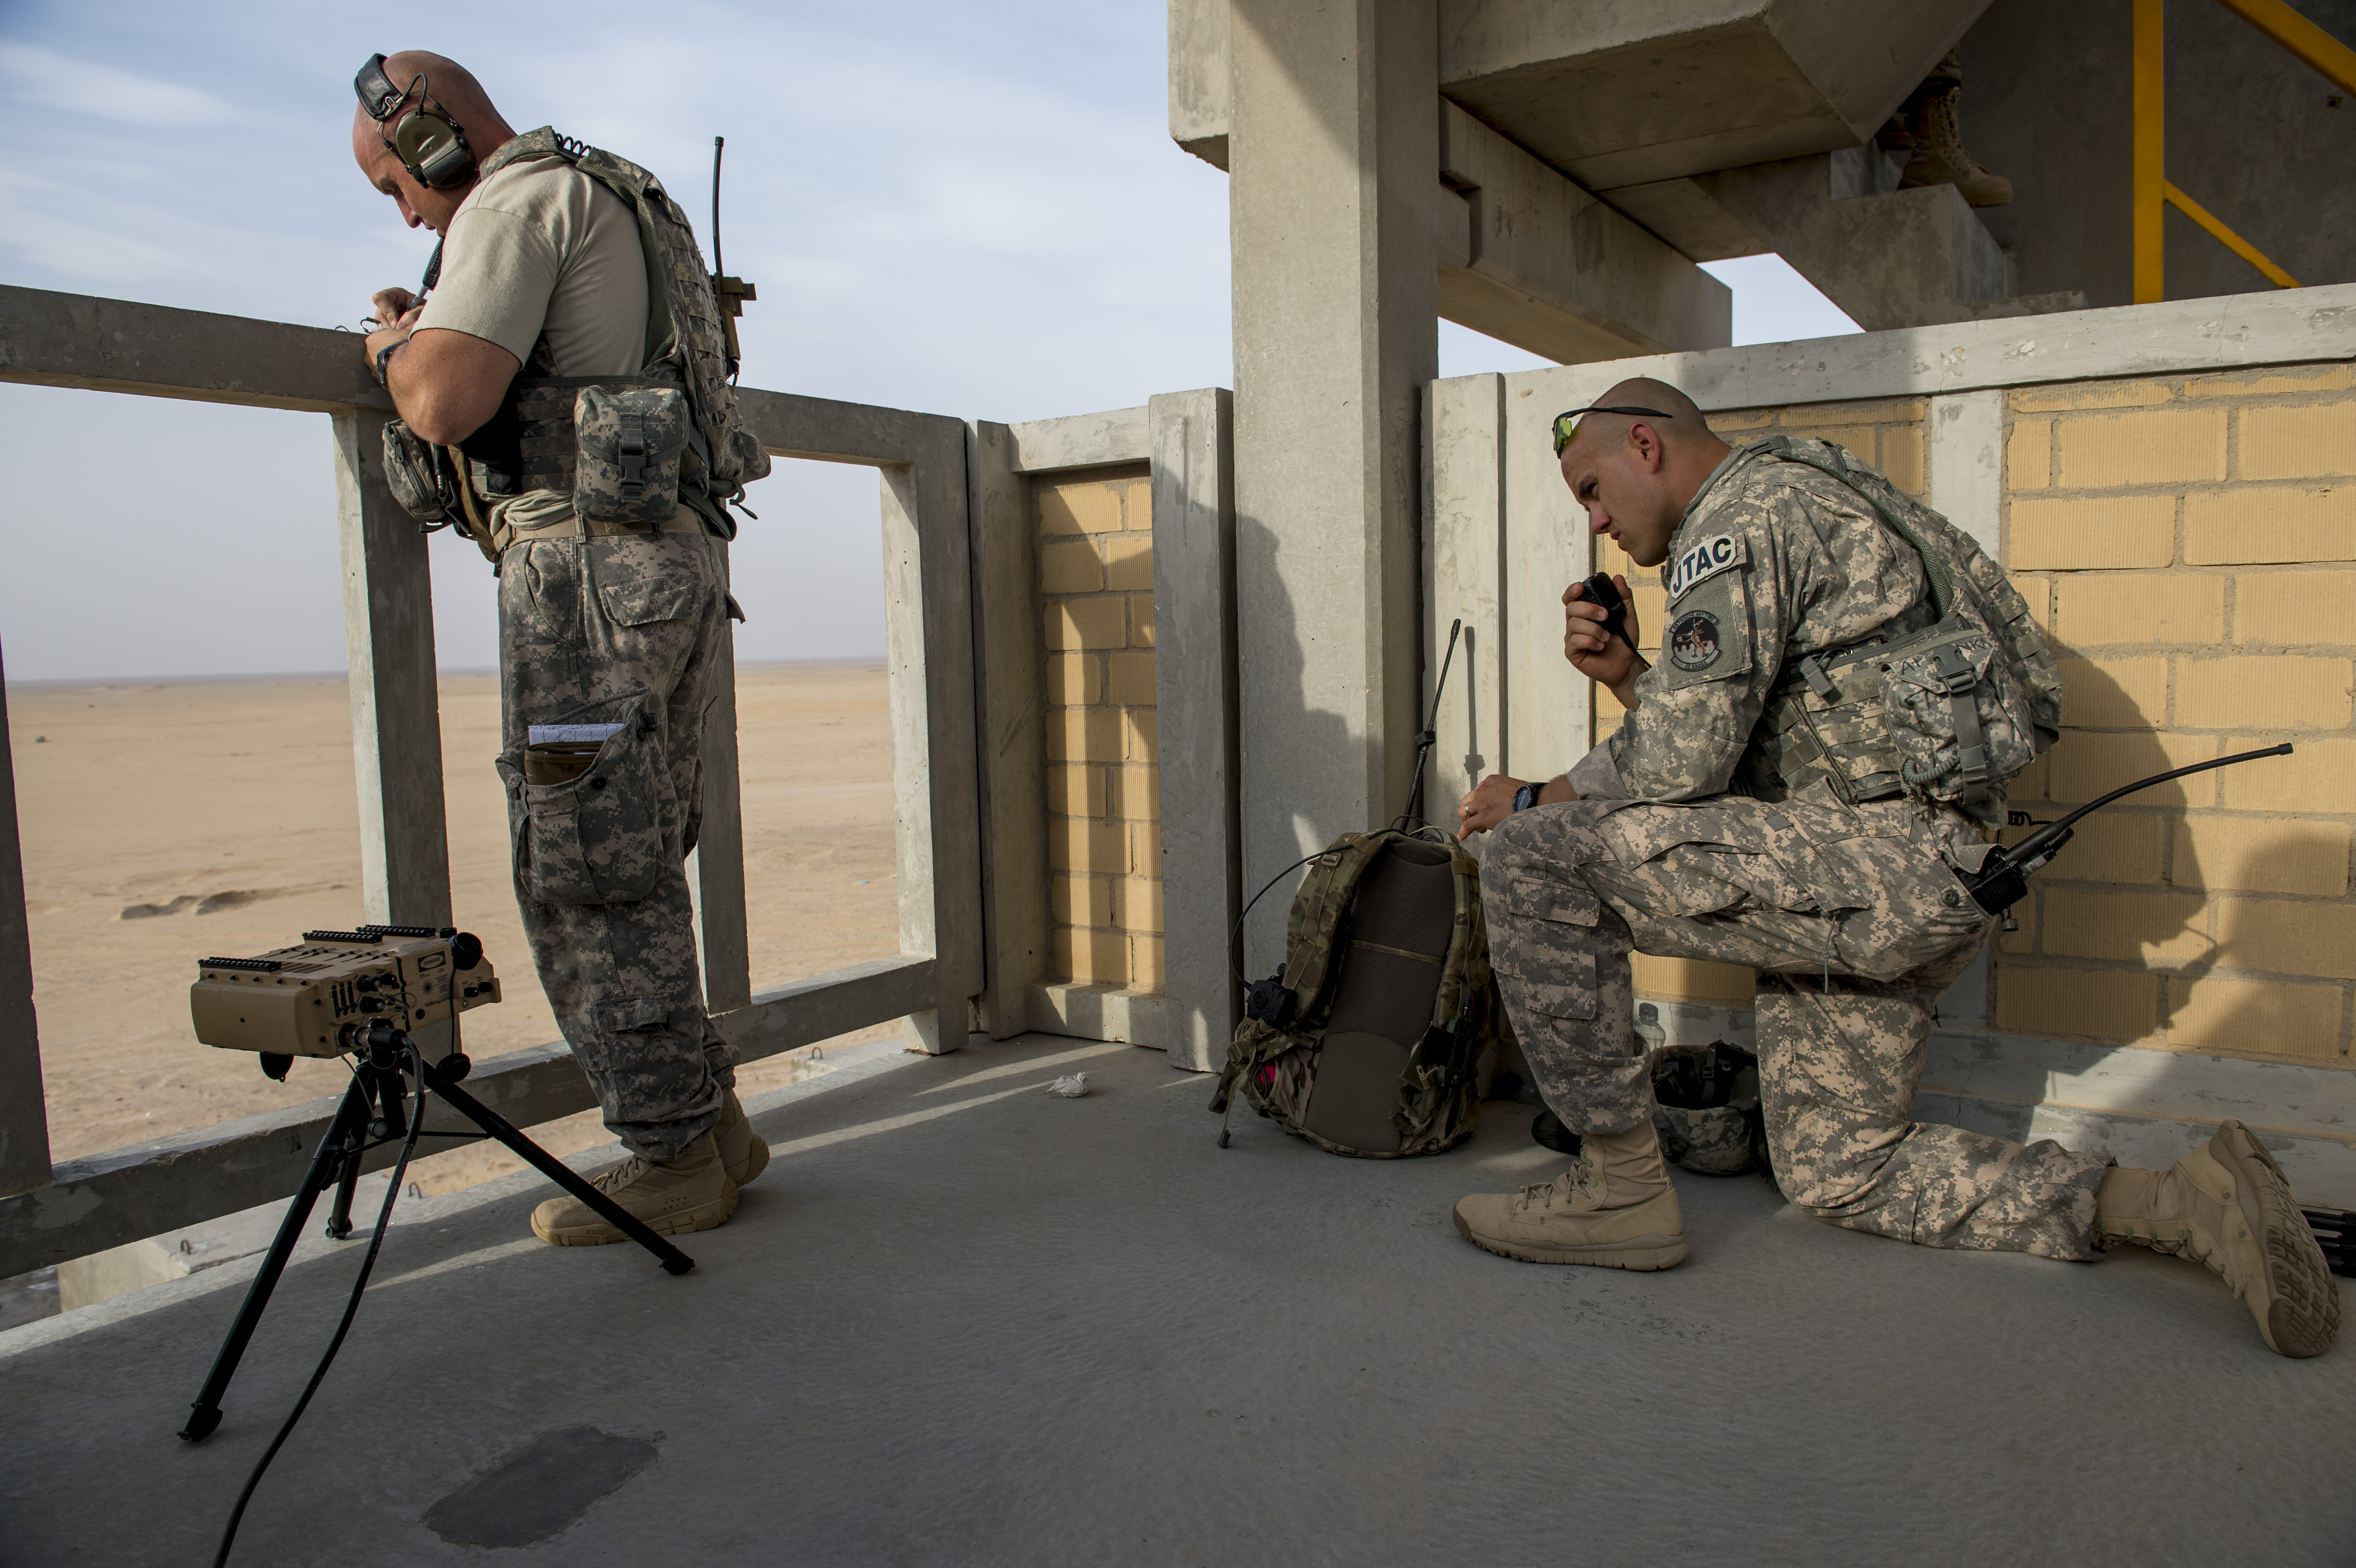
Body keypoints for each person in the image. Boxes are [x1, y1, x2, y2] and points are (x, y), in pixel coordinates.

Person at [1449, 377, 2339, 1359]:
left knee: (1532, 858)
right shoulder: (1802, 495)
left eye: (1591, 487)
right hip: (1896, 875)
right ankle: (2183, 1202)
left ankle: (1616, 1187)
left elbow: (1678, 768)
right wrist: (1627, 675)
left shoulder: (1739, 519)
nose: (1597, 519)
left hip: (1867, 868)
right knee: (1837, 1165)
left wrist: (1531, 798)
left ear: (1646, 446)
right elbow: (1759, 755)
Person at [352, 51, 771, 1246]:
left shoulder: (514, 198)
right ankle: (715, 1121)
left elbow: (443, 397)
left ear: (432, 137)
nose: (407, 211)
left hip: (586, 582)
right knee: (636, 860)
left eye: (396, 183)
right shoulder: (617, 196)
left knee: (585, 872)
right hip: (671, 567)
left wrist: (389, 341)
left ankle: (672, 1157)